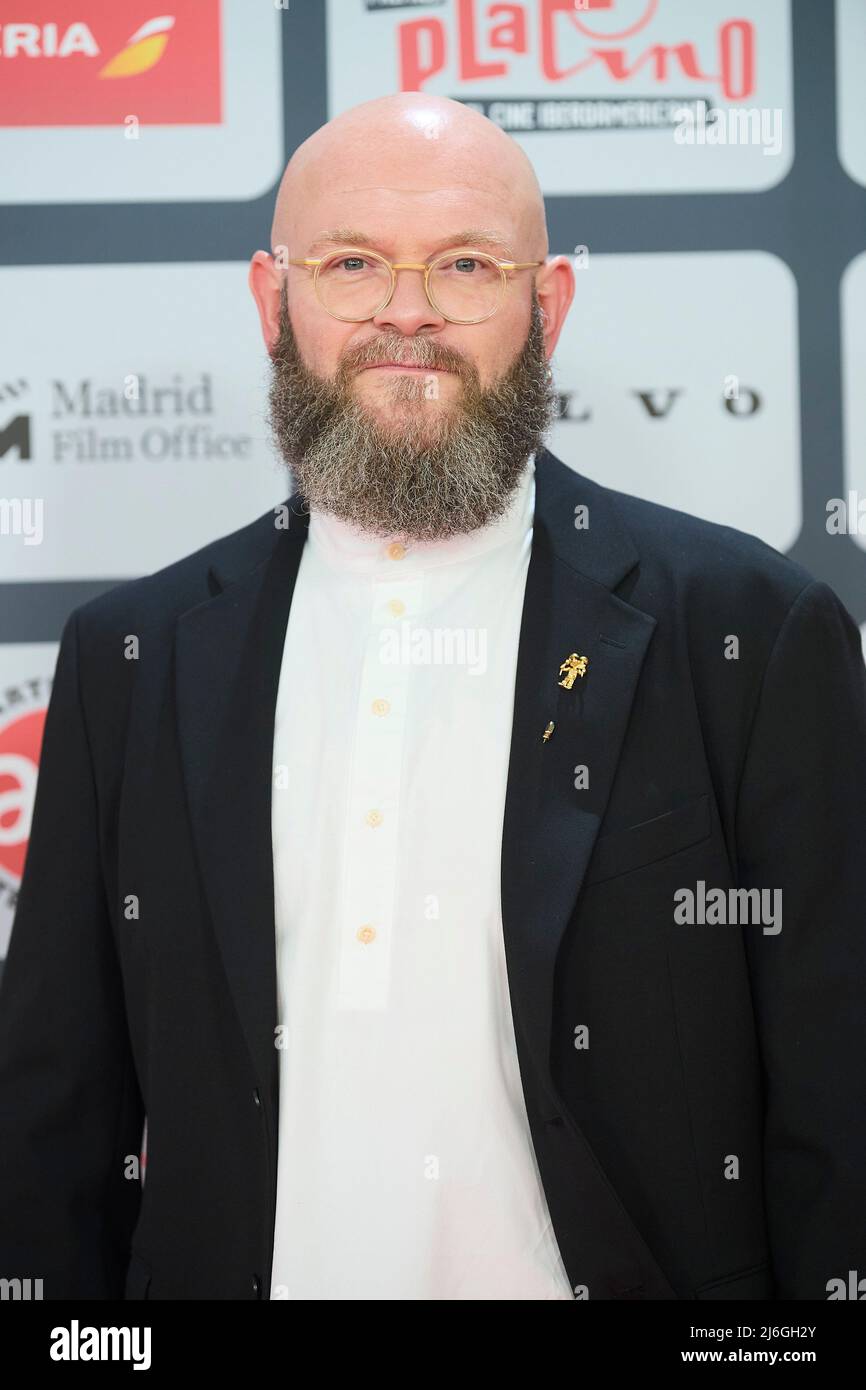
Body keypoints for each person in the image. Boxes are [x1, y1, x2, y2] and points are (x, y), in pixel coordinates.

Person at [0, 93, 864, 1301]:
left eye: (463, 264)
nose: (404, 312)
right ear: (272, 299)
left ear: (546, 304)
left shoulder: (748, 633)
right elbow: (52, 1126)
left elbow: (836, 1103)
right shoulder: (129, 656)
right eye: (351, 263)